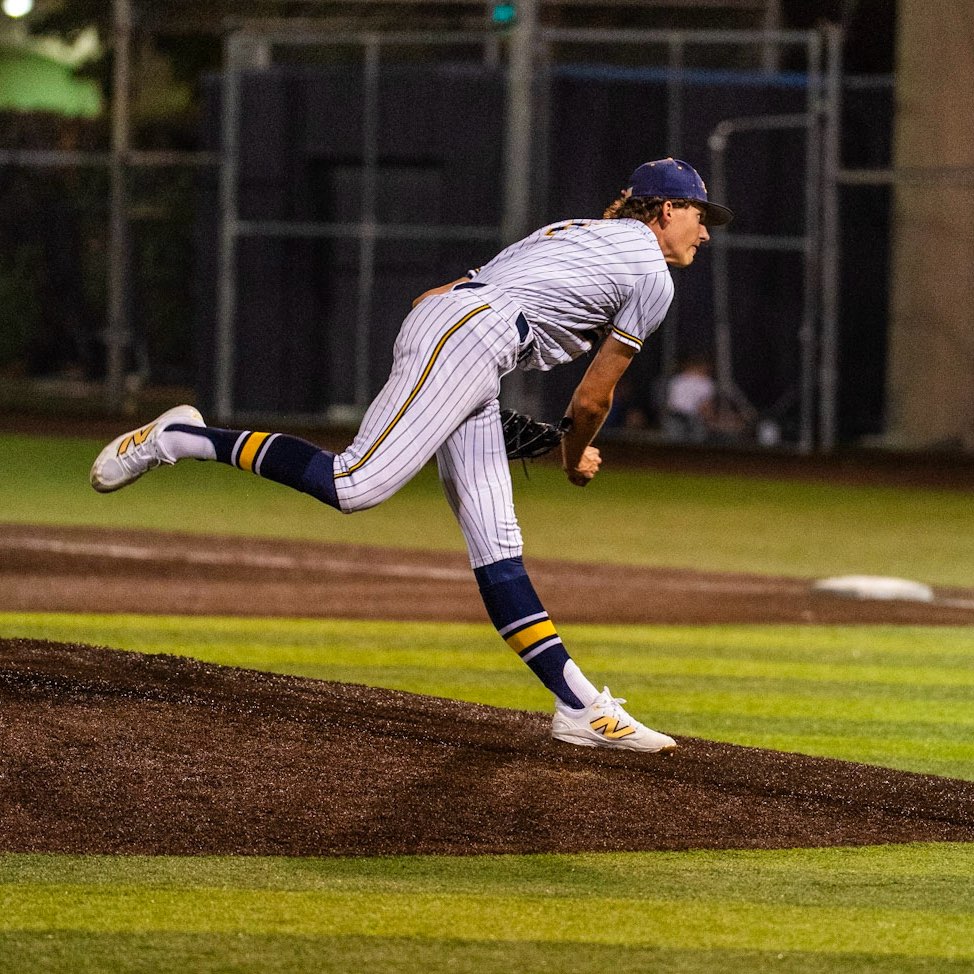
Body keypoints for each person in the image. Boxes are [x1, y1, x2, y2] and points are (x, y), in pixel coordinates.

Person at [90, 157, 732, 754]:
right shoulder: (652, 274)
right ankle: (181, 438)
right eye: (701, 216)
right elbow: (593, 399)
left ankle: (579, 706)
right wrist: (571, 454)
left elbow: (443, 291)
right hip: (472, 337)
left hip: (470, 336)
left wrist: (470, 384)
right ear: (668, 209)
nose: (704, 234)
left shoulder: (575, 232)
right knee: (355, 484)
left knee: (497, 541)